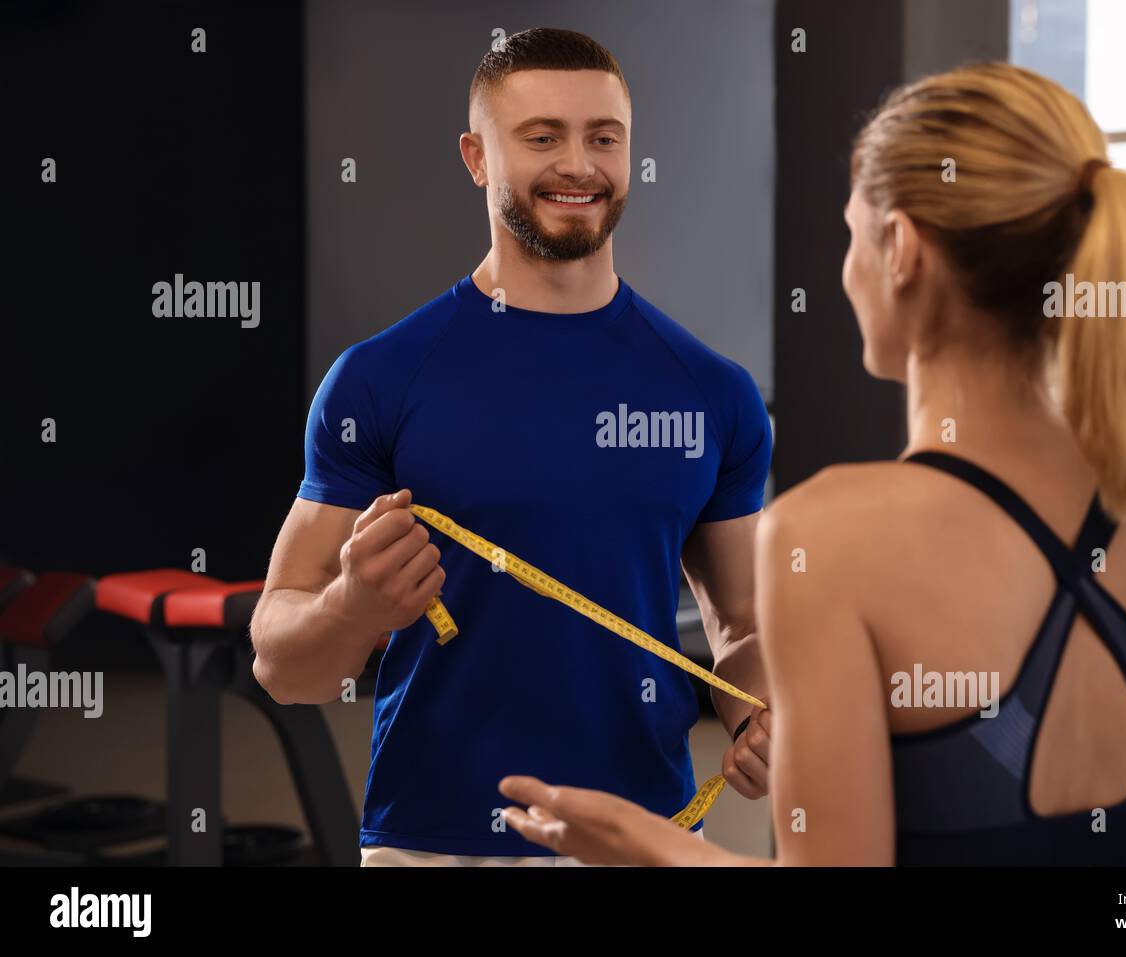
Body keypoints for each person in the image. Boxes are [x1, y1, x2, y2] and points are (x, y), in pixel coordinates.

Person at [498, 62, 1126, 866]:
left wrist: (640, 844)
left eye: (851, 231)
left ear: (900, 247)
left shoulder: (832, 536)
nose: (843, 269)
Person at [249, 27, 773, 866]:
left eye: (603, 137)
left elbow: (742, 624)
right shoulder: (380, 381)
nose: (578, 165)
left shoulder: (712, 391)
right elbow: (281, 665)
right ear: (476, 157)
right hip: (431, 840)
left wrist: (758, 711)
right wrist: (352, 608)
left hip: (650, 838)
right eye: (541, 137)